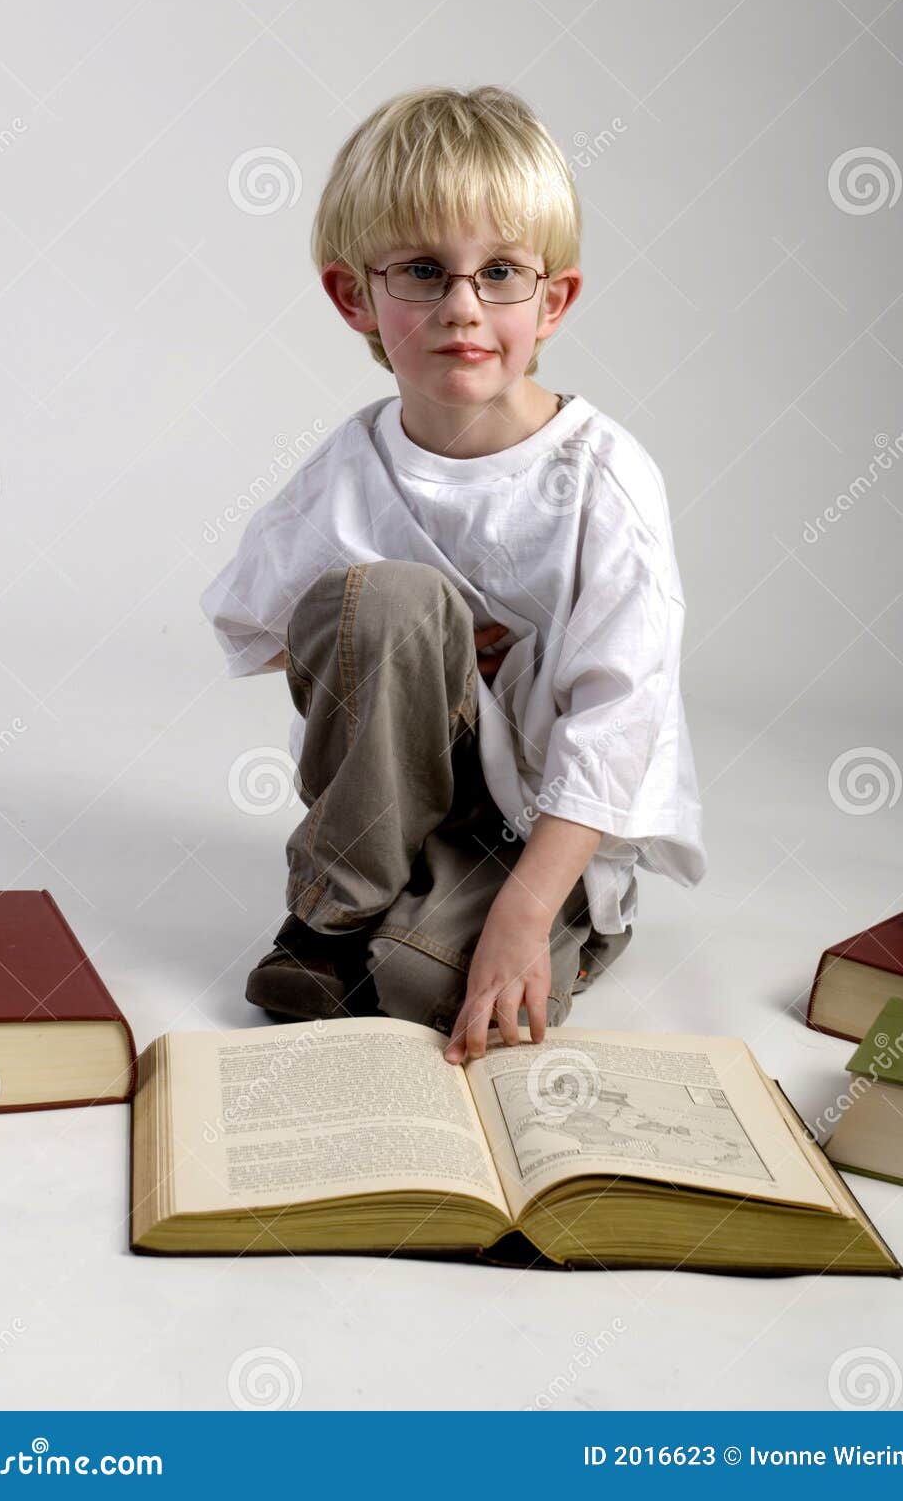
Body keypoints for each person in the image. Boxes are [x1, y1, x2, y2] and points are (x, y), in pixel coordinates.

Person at [199, 84, 706, 1063]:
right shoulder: (353, 465)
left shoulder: (601, 476)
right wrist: (430, 655)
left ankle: (521, 924)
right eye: (424, 271)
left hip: (552, 831)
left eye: (501, 272)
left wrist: (525, 911)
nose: (463, 308)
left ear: (553, 301)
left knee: (419, 985)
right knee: (383, 599)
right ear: (354, 296)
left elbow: (621, 721)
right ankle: (335, 914)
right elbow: (260, 628)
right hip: (413, 811)